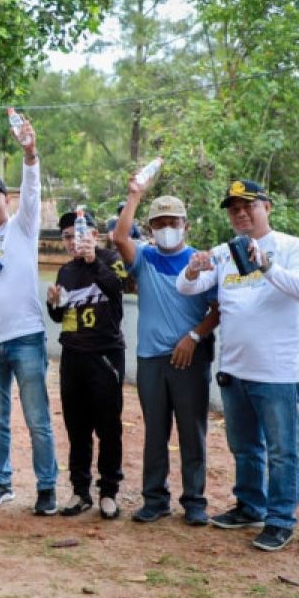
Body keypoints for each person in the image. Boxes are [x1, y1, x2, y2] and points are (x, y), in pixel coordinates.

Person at [177, 180, 299, 551]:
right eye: (233, 208)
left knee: (282, 450)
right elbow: (187, 287)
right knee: (245, 446)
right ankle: (250, 506)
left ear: (266, 207)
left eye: (248, 206)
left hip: (276, 372)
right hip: (234, 369)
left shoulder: (291, 247)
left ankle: (281, 518)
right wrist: (193, 269)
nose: (240, 213)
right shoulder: (223, 253)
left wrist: (266, 266)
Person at [0, 116, 59, 515]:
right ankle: (1, 482)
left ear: (7, 201)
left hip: (25, 338)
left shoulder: (23, 227)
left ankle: (46, 487)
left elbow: (34, 189)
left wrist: (30, 153)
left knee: (37, 419)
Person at [115, 183, 220, 526]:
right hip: (151, 359)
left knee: (192, 431)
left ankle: (195, 501)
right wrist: (135, 195)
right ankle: (155, 498)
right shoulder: (145, 258)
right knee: (155, 431)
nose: (166, 229)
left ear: (186, 225)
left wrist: (194, 336)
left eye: (172, 221)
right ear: (150, 229)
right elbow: (119, 239)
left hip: (191, 358)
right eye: (158, 223)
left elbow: (219, 309)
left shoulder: (202, 261)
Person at [46, 210, 127, 519]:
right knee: (76, 427)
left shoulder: (110, 260)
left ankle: (109, 492)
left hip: (104, 356)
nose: (73, 241)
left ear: (95, 235)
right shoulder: (65, 271)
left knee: (108, 427)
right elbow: (60, 317)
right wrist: (53, 303)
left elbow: (119, 290)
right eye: (67, 236)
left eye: (78, 234)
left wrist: (95, 261)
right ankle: (80, 490)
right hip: (72, 357)